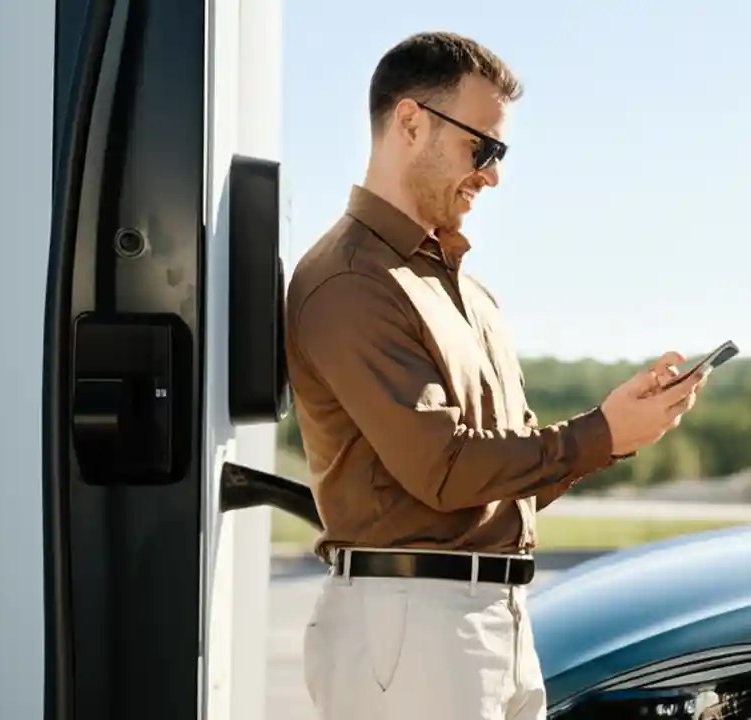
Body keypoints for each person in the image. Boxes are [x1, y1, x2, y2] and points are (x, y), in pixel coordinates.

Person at [283, 31, 709, 719]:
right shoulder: (350, 281)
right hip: (410, 631)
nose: (492, 175)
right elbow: (445, 470)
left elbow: (503, 482)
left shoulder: (469, 296)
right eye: (482, 148)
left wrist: (618, 431)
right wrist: (600, 434)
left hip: (493, 620)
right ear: (411, 123)